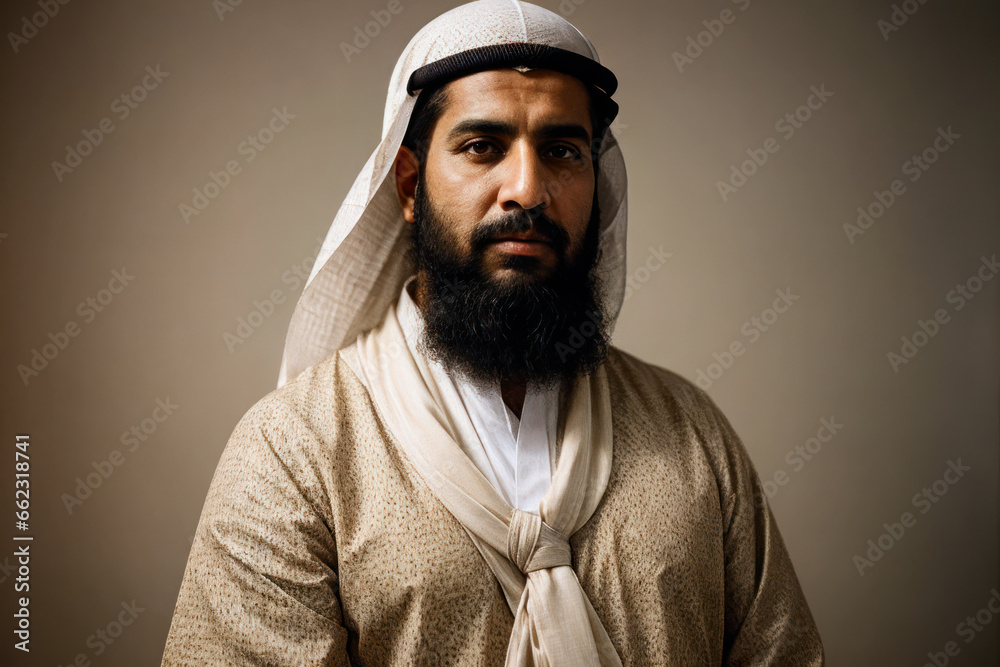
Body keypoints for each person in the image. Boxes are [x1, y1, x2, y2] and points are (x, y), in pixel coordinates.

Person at [160, 1, 825, 664]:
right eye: (483, 147)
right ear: (412, 185)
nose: (528, 190)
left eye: (563, 150)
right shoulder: (294, 452)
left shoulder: (692, 435)